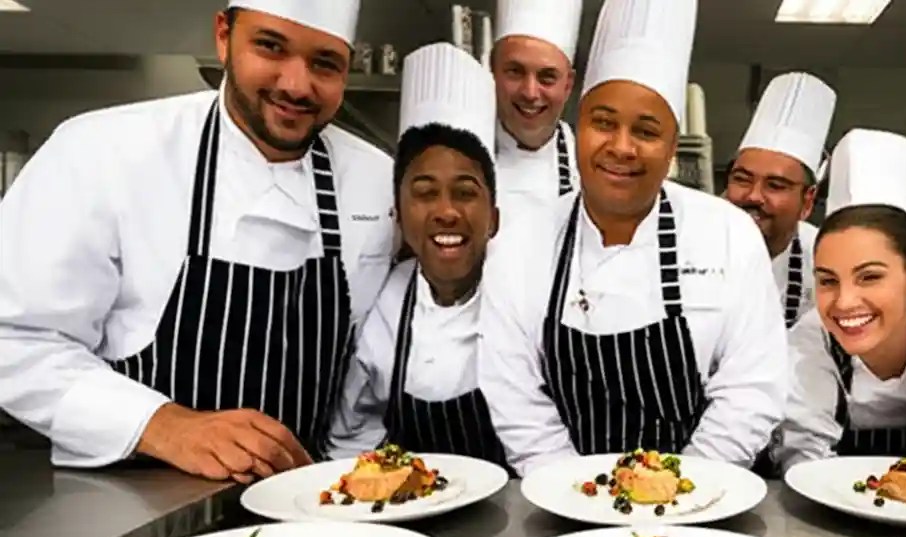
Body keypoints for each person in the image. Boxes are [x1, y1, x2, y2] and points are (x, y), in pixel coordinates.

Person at [0, 1, 397, 481]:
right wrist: (163, 425)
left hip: (307, 501)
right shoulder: (102, 152)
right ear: (224, 35)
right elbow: (16, 339)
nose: (296, 84)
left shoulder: (378, 180)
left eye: (325, 63)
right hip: (138, 500)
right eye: (270, 46)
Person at [478, 0, 787, 477]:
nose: (621, 147)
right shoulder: (521, 245)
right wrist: (573, 490)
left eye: (647, 130)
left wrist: (682, 489)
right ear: (579, 126)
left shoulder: (728, 233)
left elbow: (751, 388)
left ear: (671, 146)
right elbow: (514, 393)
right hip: (563, 504)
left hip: (699, 500)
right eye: (603, 122)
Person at [328, 43, 508, 467]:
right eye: (425, 193)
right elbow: (353, 434)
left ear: (494, 219)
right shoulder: (384, 305)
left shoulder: (522, 300)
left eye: (465, 193)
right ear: (398, 216)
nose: (446, 212)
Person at [779, 129, 906, 469]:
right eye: (828, 280)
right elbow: (804, 459)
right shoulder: (809, 345)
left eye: (869, 277)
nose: (844, 302)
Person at [724, 72, 836, 328]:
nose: (753, 195)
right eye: (742, 179)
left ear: (807, 202)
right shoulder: (687, 245)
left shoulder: (826, 261)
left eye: (775, 185)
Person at [490, 0, 584, 208]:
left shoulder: (591, 174)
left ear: (568, 85)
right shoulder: (459, 159)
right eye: (515, 72)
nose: (530, 93)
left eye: (547, 77)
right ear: (492, 73)